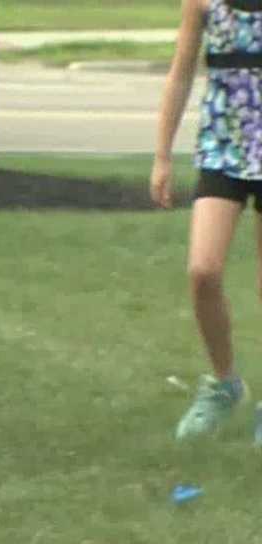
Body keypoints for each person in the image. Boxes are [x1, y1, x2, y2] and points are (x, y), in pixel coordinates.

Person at [152, 0, 262, 442]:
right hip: (223, 148)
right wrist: (162, 155)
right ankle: (224, 384)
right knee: (203, 270)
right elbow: (180, 75)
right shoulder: (203, 4)